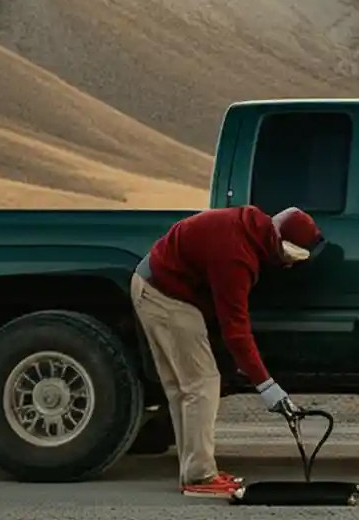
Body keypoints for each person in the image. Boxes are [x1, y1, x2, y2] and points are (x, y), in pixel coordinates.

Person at [129, 204, 324, 497]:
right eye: (290, 257)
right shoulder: (236, 257)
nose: (288, 265)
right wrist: (268, 387)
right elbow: (236, 331)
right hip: (166, 297)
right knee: (202, 384)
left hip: (152, 284)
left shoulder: (250, 226)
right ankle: (200, 478)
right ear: (280, 242)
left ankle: (194, 470)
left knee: (182, 388)